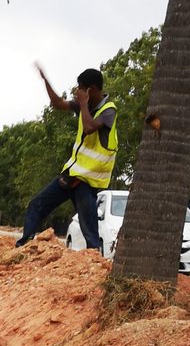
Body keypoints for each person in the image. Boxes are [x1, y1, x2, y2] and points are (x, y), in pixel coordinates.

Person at [16, 65, 118, 252]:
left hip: (88, 181)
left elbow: (89, 127)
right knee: (36, 205)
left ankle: (94, 261)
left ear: (92, 89)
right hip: (72, 174)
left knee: (90, 231)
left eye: (81, 88)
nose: (77, 92)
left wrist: (84, 104)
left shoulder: (108, 110)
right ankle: (24, 246)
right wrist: (45, 80)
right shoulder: (83, 107)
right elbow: (57, 103)